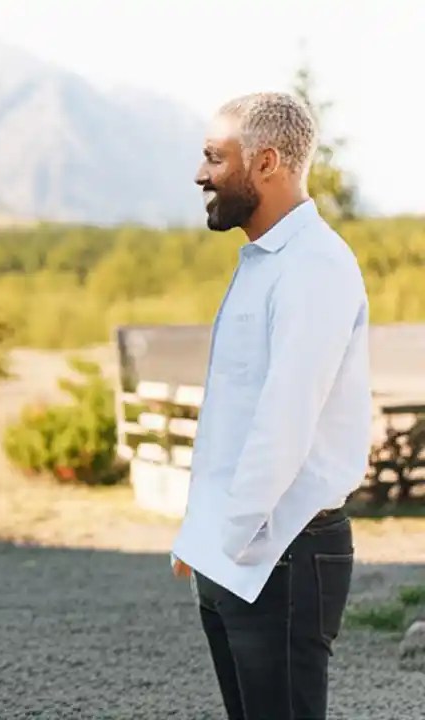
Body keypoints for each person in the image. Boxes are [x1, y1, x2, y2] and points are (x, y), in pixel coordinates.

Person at [170, 91, 371, 720]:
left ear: (267, 162)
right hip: (238, 549)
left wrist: (223, 541)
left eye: (214, 158)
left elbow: (284, 420)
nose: (200, 174)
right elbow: (235, 412)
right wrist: (200, 536)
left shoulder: (314, 267)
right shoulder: (263, 262)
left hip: (283, 553)